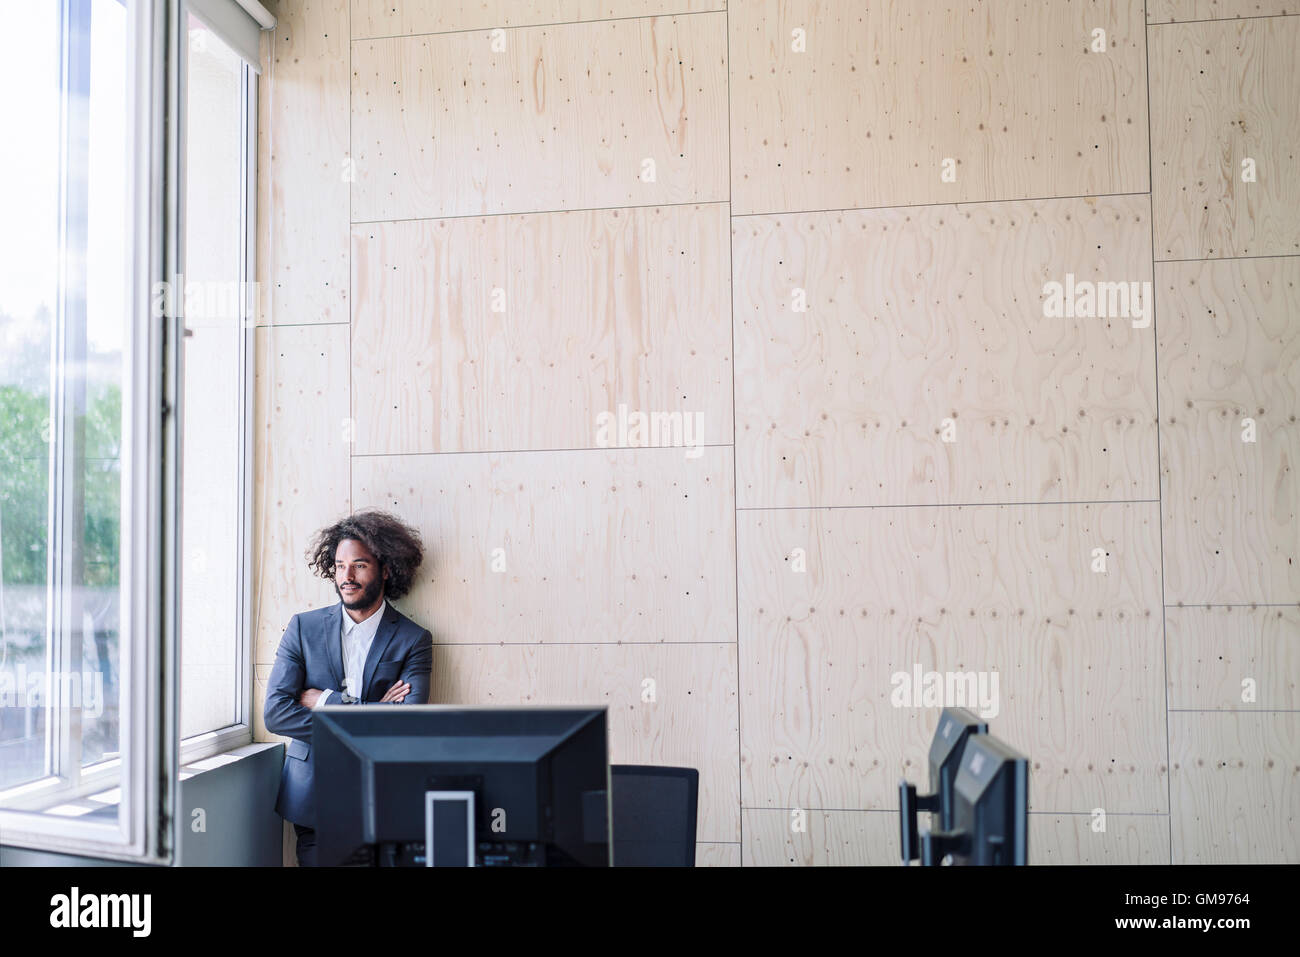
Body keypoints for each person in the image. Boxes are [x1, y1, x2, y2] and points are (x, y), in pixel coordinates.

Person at [264, 509, 433, 866]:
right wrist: (373, 712)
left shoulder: (413, 640)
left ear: (385, 570)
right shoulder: (303, 628)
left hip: (384, 797)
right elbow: (276, 713)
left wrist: (328, 701)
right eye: (340, 566)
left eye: (359, 565)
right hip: (313, 799)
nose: (347, 576)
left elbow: (408, 721)